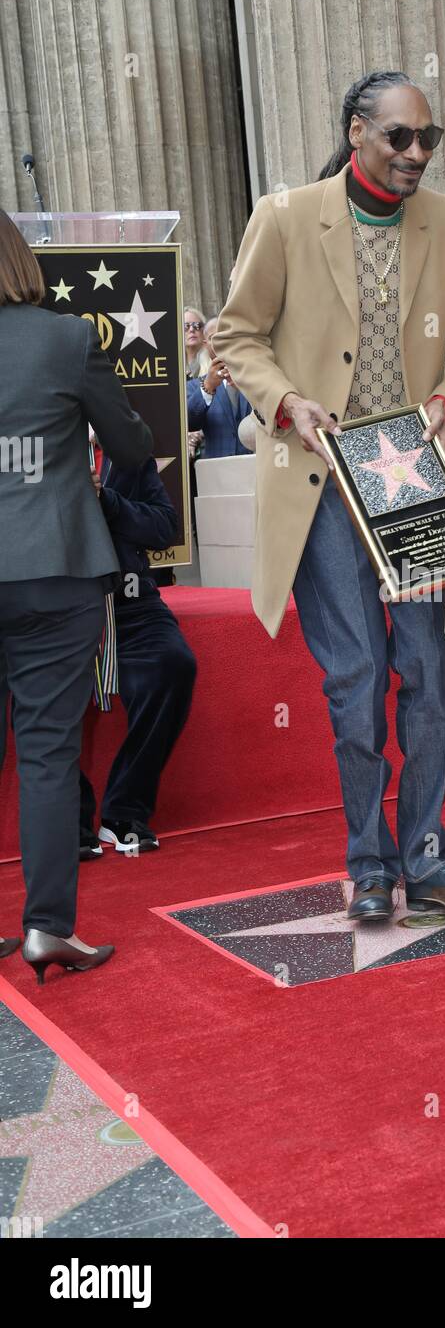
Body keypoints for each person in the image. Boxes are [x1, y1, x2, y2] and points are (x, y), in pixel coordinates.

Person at [214, 70, 445, 922]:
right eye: (400, 139)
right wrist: (285, 403)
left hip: (407, 475)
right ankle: (368, 862)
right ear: (357, 133)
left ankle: (427, 855)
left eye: (429, 140)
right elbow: (237, 334)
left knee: (428, 673)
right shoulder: (287, 217)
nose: (417, 154)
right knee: (358, 674)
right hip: (322, 478)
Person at [0, 210, 153, 982]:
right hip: (54, 568)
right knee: (48, 755)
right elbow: (131, 446)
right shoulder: (65, 339)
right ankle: (46, 929)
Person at [78, 441, 197, 859]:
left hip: (133, 604)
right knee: (48, 693)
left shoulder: (125, 449)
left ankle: (125, 809)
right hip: (61, 605)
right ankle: (69, 817)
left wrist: (106, 500)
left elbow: (164, 527)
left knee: (174, 664)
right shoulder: (29, 444)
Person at [185, 316, 252, 458]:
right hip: (216, 471)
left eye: (225, 335)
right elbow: (189, 423)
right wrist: (208, 386)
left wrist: (246, 387)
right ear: (205, 344)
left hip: (257, 467)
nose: (221, 342)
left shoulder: (254, 378)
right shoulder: (194, 386)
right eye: (214, 337)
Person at [183, 306, 208, 380]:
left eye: (197, 325)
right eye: (185, 326)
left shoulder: (214, 362)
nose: (191, 329)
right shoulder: (174, 366)